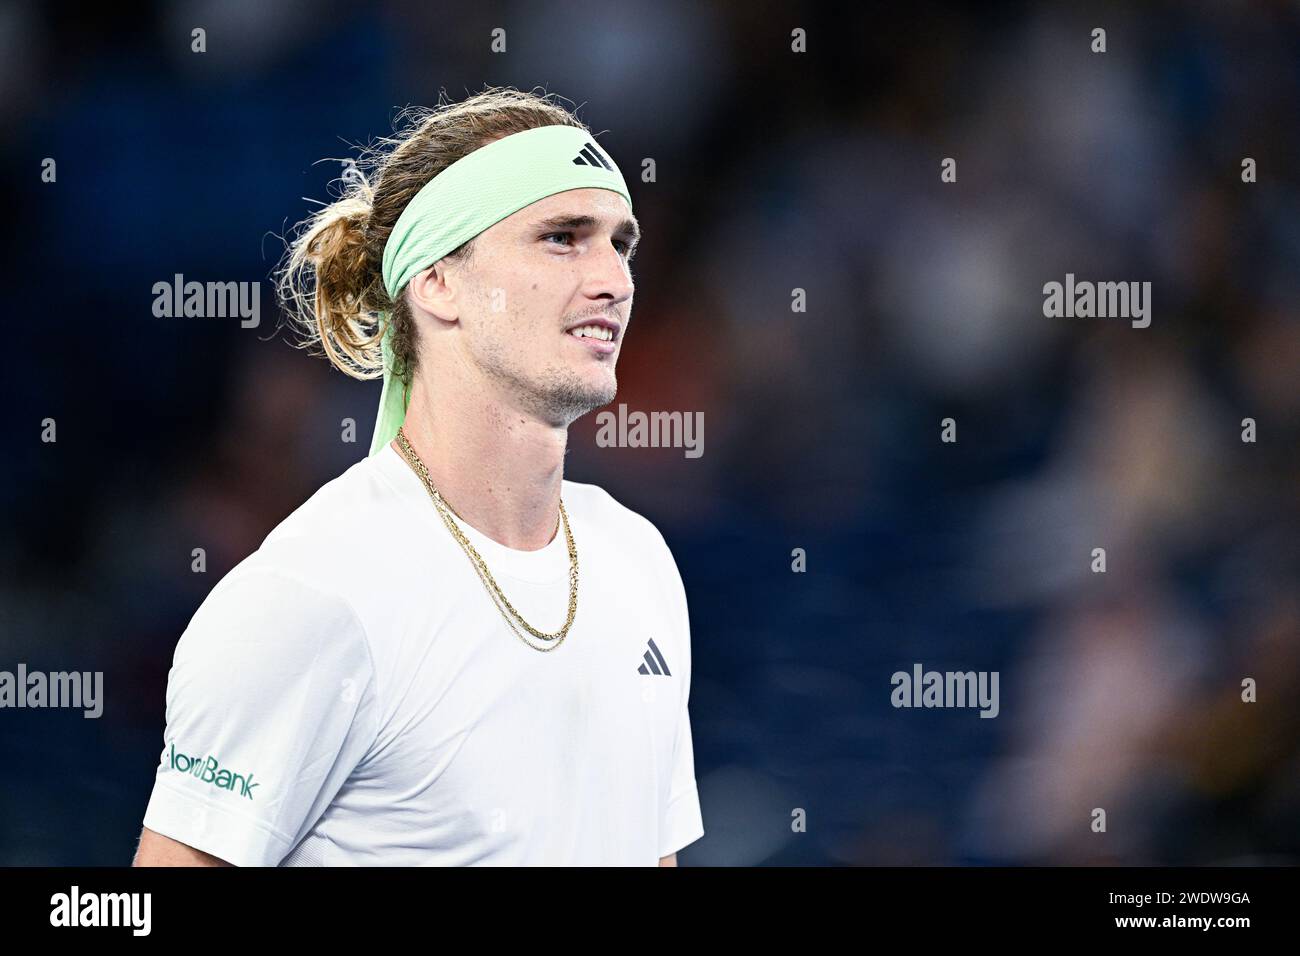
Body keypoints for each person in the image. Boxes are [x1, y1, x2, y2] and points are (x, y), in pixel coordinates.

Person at [132, 87, 704, 866]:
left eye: (621, 243)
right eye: (563, 238)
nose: (614, 279)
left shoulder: (639, 560)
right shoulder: (313, 594)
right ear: (438, 282)